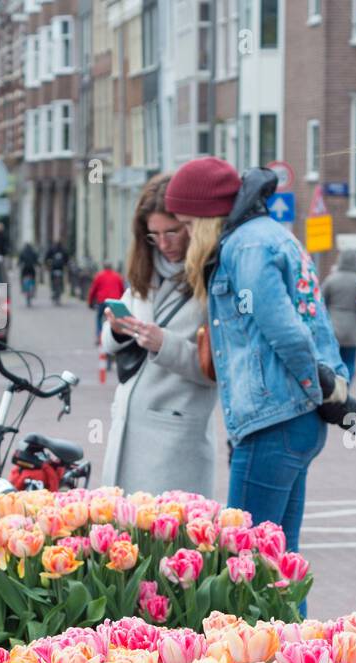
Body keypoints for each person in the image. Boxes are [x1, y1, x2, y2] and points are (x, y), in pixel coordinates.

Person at [164, 157, 349, 566]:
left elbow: (283, 329)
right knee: (281, 563)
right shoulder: (272, 235)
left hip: (272, 419)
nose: (189, 235)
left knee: (245, 563)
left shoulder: (244, 246)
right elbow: (313, 323)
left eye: (190, 225)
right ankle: (290, 631)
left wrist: (314, 387)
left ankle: (267, 632)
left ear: (208, 217)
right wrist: (330, 387)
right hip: (297, 419)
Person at [100, 173, 218, 497]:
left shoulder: (212, 281)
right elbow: (109, 341)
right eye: (153, 235)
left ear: (191, 226)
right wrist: (117, 329)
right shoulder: (146, 272)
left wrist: (163, 344)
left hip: (174, 436)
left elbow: (217, 370)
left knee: (166, 536)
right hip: (127, 425)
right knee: (125, 536)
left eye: (171, 232)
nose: (163, 244)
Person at [321, 249, 356, 382]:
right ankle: (346, 388)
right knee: (349, 362)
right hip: (352, 328)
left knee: (333, 361)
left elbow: (320, 302)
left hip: (333, 327)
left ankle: (335, 390)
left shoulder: (331, 280)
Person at [87, 261, 127, 344]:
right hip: (115, 301)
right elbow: (122, 290)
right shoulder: (117, 276)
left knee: (99, 317)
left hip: (103, 301)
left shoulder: (99, 276)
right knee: (117, 319)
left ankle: (100, 336)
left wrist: (90, 302)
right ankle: (116, 337)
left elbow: (93, 290)